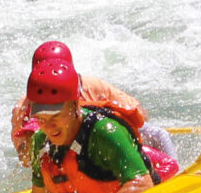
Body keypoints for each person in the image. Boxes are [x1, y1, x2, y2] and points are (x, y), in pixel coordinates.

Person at [15, 59, 155, 193]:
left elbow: (143, 185)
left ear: (75, 105)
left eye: (55, 115)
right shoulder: (40, 142)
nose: (48, 127)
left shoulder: (105, 132)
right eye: (41, 118)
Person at [11, 40, 178, 167]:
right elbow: (25, 159)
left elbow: (140, 115)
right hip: (64, 156)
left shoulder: (92, 86)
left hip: (102, 141)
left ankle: (174, 184)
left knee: (158, 134)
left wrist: (109, 123)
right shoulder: (24, 108)